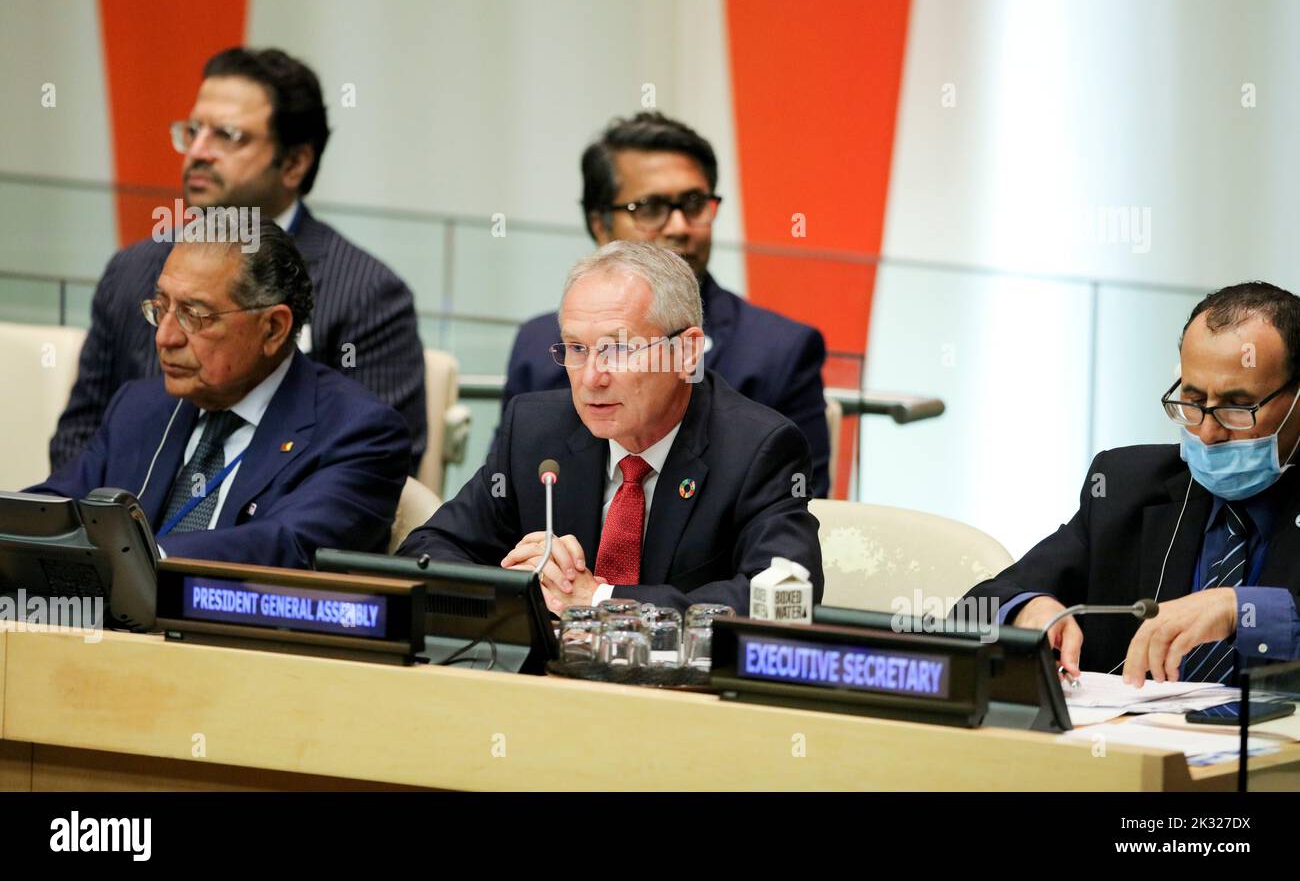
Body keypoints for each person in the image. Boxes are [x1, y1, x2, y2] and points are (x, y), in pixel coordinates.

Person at [50, 47, 427, 474]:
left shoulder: (366, 292)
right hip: (129, 524)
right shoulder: (133, 268)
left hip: (268, 526)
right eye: (193, 131)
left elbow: (376, 465)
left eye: (228, 136)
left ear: (295, 163)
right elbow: (77, 439)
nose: (199, 151)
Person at [400, 240, 823, 614]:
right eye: (577, 349)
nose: (591, 378)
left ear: (688, 352)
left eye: (618, 349)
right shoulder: (534, 430)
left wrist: (599, 602)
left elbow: (783, 598)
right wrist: (520, 583)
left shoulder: (759, 449)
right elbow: (425, 552)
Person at [963, 282, 1300, 685]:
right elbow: (980, 603)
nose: (1208, 433)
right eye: (1192, 402)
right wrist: (1027, 608)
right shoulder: (1125, 484)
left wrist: (1242, 610)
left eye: (1236, 407)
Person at [29, 221, 409, 569]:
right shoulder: (140, 407)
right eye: (160, 308)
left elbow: (288, 547)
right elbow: (57, 510)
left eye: (194, 315)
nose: (165, 337)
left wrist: (145, 564)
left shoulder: (359, 432)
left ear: (273, 328)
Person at [502, 112, 831, 496]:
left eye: (693, 203)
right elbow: (503, 503)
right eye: (650, 208)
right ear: (600, 225)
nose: (678, 227)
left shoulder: (778, 350)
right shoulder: (538, 345)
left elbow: (803, 509)